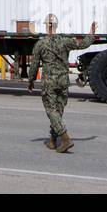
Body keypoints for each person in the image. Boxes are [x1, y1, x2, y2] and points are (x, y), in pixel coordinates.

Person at [28, 16, 96, 153]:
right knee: (58, 111)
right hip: (63, 81)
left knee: (52, 111)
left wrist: (30, 81)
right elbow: (82, 44)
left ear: (46, 26)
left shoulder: (40, 44)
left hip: (49, 83)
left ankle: (65, 139)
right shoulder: (65, 41)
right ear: (56, 25)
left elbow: (34, 65)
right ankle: (53, 141)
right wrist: (91, 34)